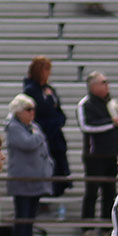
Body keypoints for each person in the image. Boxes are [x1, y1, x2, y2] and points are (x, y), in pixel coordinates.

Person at [76, 72, 118, 236]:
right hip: (94, 156)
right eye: (103, 82)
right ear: (93, 86)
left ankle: (107, 227)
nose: (107, 85)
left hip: (111, 156)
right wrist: (110, 123)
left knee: (110, 193)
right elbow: (86, 126)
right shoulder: (85, 104)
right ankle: (88, 227)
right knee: (92, 192)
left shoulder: (111, 104)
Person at [5, 94, 53, 236]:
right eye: (28, 109)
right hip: (22, 180)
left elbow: (43, 148)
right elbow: (27, 143)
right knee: (22, 216)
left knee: (31, 217)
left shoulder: (34, 126)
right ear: (18, 111)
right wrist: (39, 136)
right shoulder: (13, 127)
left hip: (36, 180)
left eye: (33, 109)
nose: (32, 113)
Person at [24, 56, 71, 205]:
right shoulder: (31, 90)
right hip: (44, 135)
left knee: (58, 166)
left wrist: (58, 118)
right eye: (46, 69)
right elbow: (44, 110)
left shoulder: (49, 89)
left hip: (55, 135)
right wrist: (51, 103)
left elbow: (59, 112)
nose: (48, 73)